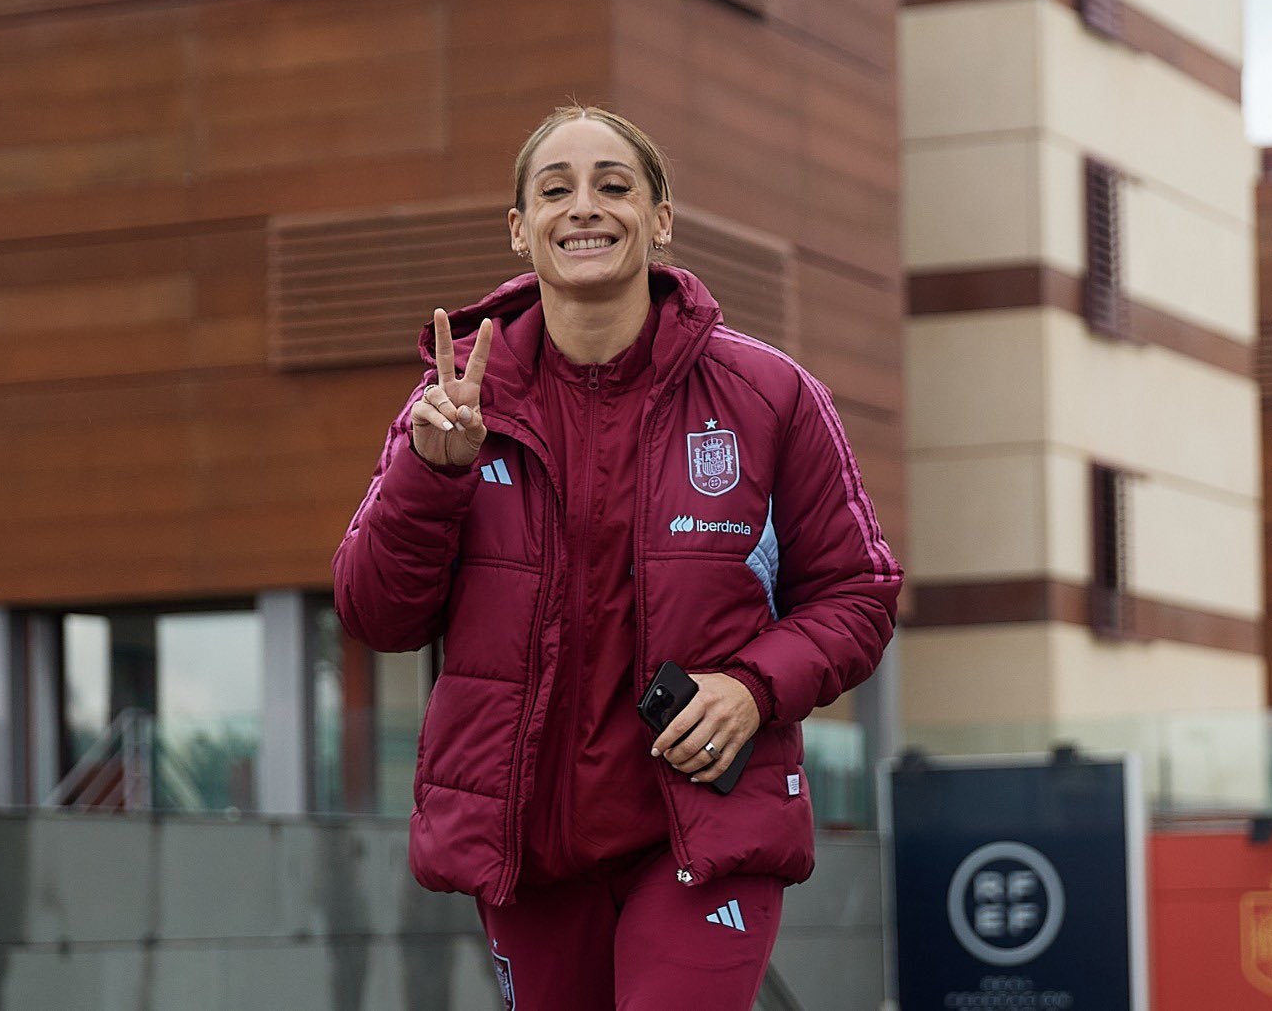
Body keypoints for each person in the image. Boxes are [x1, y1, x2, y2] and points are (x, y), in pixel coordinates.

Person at [332, 105, 901, 1010]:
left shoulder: (769, 396)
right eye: (554, 190)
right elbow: (376, 616)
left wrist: (751, 688)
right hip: (532, 848)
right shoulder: (450, 409)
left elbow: (858, 593)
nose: (584, 207)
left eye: (614, 185)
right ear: (522, 231)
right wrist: (429, 476)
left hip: (704, 830)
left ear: (661, 220)